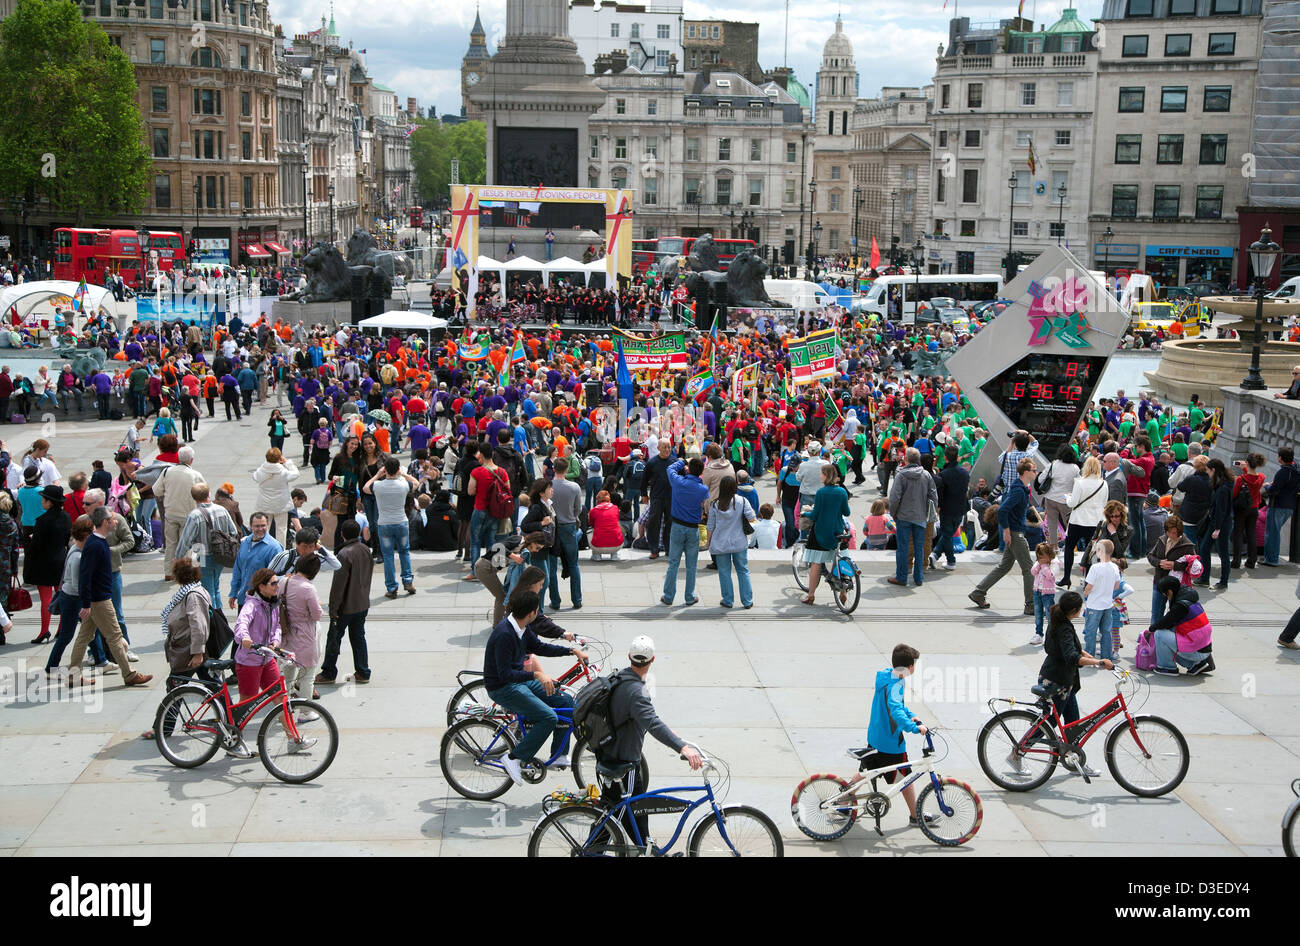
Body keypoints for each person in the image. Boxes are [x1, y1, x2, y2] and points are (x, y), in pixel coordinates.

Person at [598, 634, 703, 843]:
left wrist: (677, 738)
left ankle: (644, 846)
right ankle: (639, 846)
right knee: (619, 817)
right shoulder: (636, 692)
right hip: (624, 762)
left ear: (629, 656)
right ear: (652, 660)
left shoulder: (619, 677)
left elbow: (649, 719)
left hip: (611, 753)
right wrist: (682, 748)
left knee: (626, 814)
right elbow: (653, 724)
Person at [482, 590, 589, 785]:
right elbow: (504, 675)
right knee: (548, 717)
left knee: (565, 701)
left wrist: (571, 651)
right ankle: (514, 758)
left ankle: (559, 755)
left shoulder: (523, 628)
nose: (539, 614)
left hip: (518, 682)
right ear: (531, 613)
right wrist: (537, 675)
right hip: (503, 687)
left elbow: (539, 647)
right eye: (538, 611)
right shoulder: (505, 634)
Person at [842, 644, 931, 826]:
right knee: (905, 777)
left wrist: (910, 715)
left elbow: (897, 706)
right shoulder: (897, 684)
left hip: (875, 736)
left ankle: (843, 801)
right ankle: (916, 816)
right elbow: (895, 710)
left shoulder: (887, 676)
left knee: (865, 772)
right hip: (890, 743)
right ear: (910, 667)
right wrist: (914, 728)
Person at [64, 507, 152, 687]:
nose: (116, 521)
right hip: (99, 600)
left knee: (84, 637)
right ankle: (129, 674)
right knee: (115, 635)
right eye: (112, 519)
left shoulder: (98, 542)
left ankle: (74, 674)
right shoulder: (96, 545)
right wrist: (87, 603)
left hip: (96, 599)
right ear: (105, 522)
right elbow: (85, 575)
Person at [1037, 591, 1113, 778]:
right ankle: (1018, 753)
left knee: (1073, 724)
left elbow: (1070, 649)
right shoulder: (1063, 626)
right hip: (1058, 682)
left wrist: (1092, 658)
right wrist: (1097, 663)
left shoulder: (1057, 618)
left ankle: (1075, 761)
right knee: (1048, 724)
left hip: (1063, 681)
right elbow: (1072, 656)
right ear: (1075, 610)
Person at [969, 457, 1037, 615]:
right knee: (1028, 569)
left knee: (1004, 566)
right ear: (1026, 472)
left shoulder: (1021, 488)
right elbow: (1003, 510)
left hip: (1014, 531)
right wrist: (1006, 530)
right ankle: (1030, 604)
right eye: (1034, 470)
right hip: (1015, 533)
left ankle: (978, 592)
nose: (1035, 472)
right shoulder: (1019, 490)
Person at [317, 520, 374, 685]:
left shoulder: (344, 554)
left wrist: (333, 608)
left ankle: (328, 672)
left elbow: (338, 586)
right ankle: (363, 671)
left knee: (334, 638)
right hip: (362, 603)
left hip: (346, 606)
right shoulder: (365, 550)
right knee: (358, 637)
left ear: (342, 534)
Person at [362, 455, 418, 598]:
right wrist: (403, 474)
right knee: (404, 552)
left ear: (385, 469)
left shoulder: (379, 486)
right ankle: (408, 581)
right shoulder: (404, 485)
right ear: (398, 469)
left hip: (384, 523)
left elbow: (365, 487)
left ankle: (392, 587)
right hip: (401, 522)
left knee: (388, 556)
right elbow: (416, 483)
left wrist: (377, 475)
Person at [42, 515, 92, 674]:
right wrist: (87, 603)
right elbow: (78, 586)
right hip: (72, 599)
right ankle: (51, 667)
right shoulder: (78, 557)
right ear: (85, 535)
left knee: (91, 631)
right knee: (67, 635)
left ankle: (101, 659)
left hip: (70, 597)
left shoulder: (74, 548)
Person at [24, 484, 71, 645]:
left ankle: (44, 631)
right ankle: (61, 628)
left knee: (46, 598)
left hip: (44, 563)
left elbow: (36, 546)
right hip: (61, 560)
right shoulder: (66, 517)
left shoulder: (42, 521)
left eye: (43, 499)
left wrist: (32, 539)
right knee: (61, 596)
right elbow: (66, 540)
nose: (42, 501)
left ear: (49, 502)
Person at [177, 483, 239, 604]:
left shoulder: (195, 515)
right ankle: (218, 614)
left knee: (206, 589)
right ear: (209, 494)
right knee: (215, 587)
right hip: (220, 553)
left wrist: (178, 558)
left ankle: (213, 618)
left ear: (193, 497)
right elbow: (233, 531)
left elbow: (186, 540)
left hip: (201, 554)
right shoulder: (221, 510)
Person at [660, 456, 708, 607]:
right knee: (691, 565)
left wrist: (684, 461)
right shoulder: (703, 489)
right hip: (693, 528)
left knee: (673, 562)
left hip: (677, 526)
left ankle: (668, 596)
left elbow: (670, 468)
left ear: (688, 469)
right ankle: (689, 596)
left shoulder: (678, 482)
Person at [802, 462, 851, 607]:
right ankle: (843, 591)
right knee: (840, 559)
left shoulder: (821, 492)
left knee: (816, 563)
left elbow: (815, 515)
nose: (820, 476)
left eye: (821, 473)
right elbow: (846, 512)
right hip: (837, 531)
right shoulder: (841, 492)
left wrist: (806, 513)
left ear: (826, 476)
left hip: (820, 532)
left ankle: (811, 595)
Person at [153, 445, 205, 580]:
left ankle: (169, 573)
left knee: (171, 544)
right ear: (191, 460)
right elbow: (204, 494)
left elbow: (156, 490)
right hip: (188, 515)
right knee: (187, 545)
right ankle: (186, 573)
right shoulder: (196, 475)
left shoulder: (167, 472)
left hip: (171, 513)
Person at [888, 447, 937, 587]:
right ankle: (918, 577)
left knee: (903, 547)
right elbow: (933, 496)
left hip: (903, 516)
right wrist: (929, 512)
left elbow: (894, 498)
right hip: (920, 516)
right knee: (919, 547)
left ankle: (901, 577)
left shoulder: (901, 475)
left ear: (906, 459)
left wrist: (893, 513)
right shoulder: (926, 475)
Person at [706, 475, 757, 609]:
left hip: (720, 543)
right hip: (739, 542)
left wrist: (708, 542)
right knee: (743, 570)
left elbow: (710, 526)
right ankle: (747, 600)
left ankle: (728, 600)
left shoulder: (715, 504)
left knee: (724, 572)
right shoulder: (742, 501)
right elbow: (752, 518)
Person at [280, 553, 323, 704]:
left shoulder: (283, 582)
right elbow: (317, 615)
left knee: (288, 673)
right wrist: (319, 604)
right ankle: (306, 711)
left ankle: (286, 705)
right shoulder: (308, 588)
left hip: (286, 634)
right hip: (305, 634)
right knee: (307, 676)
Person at [1149, 577, 1215, 676]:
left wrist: (1151, 629)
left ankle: (1167, 667)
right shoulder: (1187, 594)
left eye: (1164, 593)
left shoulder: (1180, 606)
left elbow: (1165, 622)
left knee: (1159, 634)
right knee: (1169, 637)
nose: (1164, 595)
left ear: (1170, 591)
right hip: (1203, 648)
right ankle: (1194, 665)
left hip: (1198, 651)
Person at [1062, 456, 1107, 587]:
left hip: (1078, 520)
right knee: (1091, 552)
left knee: (1069, 547)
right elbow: (1104, 503)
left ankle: (1066, 577)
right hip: (1095, 521)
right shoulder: (1104, 483)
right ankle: (1088, 579)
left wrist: (1067, 498)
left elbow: (1072, 503)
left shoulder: (1080, 482)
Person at [1147, 515, 1198, 625]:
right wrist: (1159, 562)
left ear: (1179, 531)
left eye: (1174, 532)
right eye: (1169, 532)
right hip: (1159, 582)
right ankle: (1152, 639)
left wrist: (1175, 565)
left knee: (1174, 616)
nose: (1171, 535)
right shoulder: (1162, 539)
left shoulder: (1187, 545)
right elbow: (1150, 556)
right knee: (1156, 614)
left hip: (1175, 587)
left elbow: (1193, 565)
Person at [227, 512, 284, 612]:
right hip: (243, 599)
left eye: (263, 525)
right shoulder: (244, 543)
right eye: (257, 526)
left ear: (267, 525)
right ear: (250, 526)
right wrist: (233, 593)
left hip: (263, 603)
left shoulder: (275, 548)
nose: (260, 529)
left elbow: (278, 577)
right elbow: (238, 570)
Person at [549, 463, 583, 610]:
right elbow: (578, 509)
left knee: (551, 566)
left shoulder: (548, 485)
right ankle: (577, 599)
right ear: (567, 470)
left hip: (552, 527)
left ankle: (555, 601)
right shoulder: (574, 487)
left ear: (553, 469)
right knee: (573, 564)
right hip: (568, 525)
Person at [1081, 538, 1121, 662]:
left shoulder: (1095, 567)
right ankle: (1106, 655)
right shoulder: (1114, 567)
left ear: (1100, 551)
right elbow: (1116, 586)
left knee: (1091, 632)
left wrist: (1085, 594)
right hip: (1108, 604)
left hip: (1094, 605)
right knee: (1106, 631)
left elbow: (1089, 586)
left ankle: (1089, 656)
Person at [251, 447, 301, 542]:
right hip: (281, 504)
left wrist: (265, 465)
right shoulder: (283, 472)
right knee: (281, 529)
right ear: (279, 459)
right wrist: (287, 463)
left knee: (265, 528)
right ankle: (280, 551)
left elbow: (255, 476)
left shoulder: (262, 471)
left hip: (265, 504)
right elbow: (296, 473)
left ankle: (264, 547)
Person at [933, 445, 969, 570]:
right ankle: (935, 555)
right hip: (960, 508)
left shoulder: (944, 474)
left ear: (945, 457)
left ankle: (950, 561)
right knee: (948, 533)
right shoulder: (965, 473)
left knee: (947, 534)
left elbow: (941, 494)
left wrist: (938, 507)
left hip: (947, 508)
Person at [1199, 458, 1234, 589]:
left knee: (1222, 552)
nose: (1207, 473)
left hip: (1220, 525)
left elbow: (1221, 510)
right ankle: (1205, 578)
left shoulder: (1222, 489)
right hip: (1217, 523)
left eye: (1208, 470)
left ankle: (1223, 581)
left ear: (1213, 470)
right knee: (1205, 548)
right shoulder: (1223, 485)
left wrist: (1217, 528)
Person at [1263, 446, 1298, 567]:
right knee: (1275, 532)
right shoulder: (1296, 470)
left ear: (1280, 458)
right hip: (1290, 505)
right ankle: (1271, 557)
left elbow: (1273, 490)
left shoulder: (1283, 472)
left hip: (1278, 505)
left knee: (1272, 532)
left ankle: (1271, 559)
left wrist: (1267, 486)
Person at [1230, 453, 1265, 570]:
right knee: (1251, 534)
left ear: (1248, 463)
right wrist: (1245, 468)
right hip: (1254, 508)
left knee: (1238, 534)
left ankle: (1236, 561)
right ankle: (1251, 561)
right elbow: (1252, 477)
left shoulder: (1241, 479)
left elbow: (1234, 494)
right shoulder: (1261, 477)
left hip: (1241, 509)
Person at [1029, 542, 1057, 647]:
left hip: (1048, 593)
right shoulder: (1038, 563)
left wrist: (1044, 565)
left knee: (1050, 615)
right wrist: (1039, 564)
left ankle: (1051, 636)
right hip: (1037, 591)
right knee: (1038, 613)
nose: (1040, 558)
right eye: (1039, 555)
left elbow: (1050, 576)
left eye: (1043, 555)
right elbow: (1033, 572)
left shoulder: (1055, 563)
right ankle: (1038, 634)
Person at [588, 489, 623, 560]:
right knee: (617, 527)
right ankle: (614, 554)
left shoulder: (593, 510)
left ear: (597, 500)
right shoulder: (615, 508)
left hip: (598, 545)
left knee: (590, 530)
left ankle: (596, 554)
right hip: (617, 545)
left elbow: (591, 524)